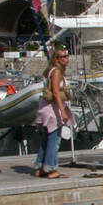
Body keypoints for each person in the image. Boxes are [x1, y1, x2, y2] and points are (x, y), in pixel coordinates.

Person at [32, 46, 75, 178]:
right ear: (56, 59)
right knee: (54, 140)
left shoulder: (49, 71)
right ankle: (51, 169)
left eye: (67, 56)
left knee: (47, 138)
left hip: (46, 108)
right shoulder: (56, 72)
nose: (66, 59)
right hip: (53, 109)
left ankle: (41, 167)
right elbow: (56, 92)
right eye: (63, 56)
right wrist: (63, 112)